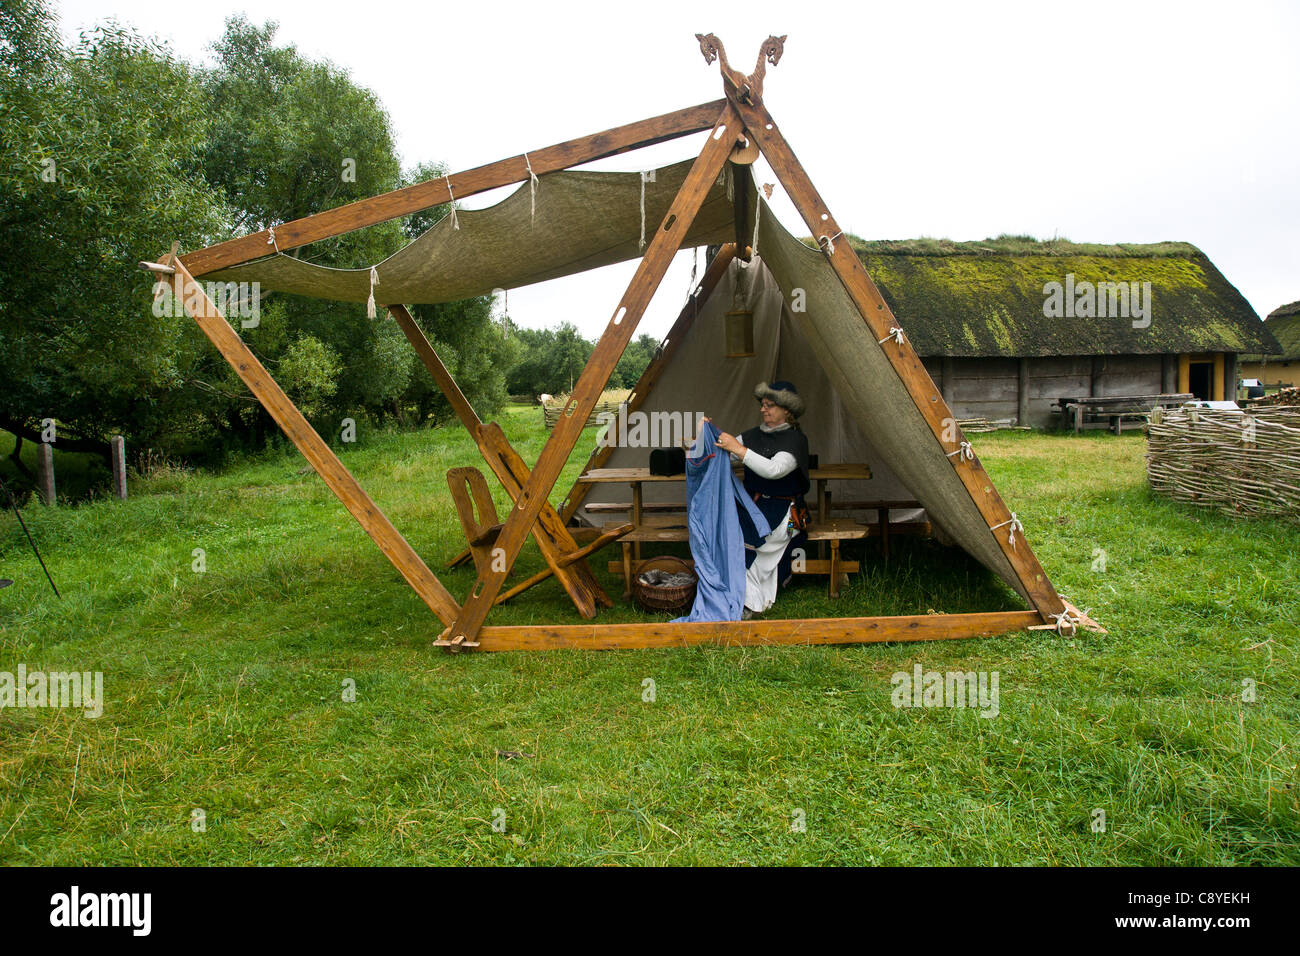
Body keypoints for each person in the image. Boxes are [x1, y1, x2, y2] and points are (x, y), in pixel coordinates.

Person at [705, 380, 810, 617]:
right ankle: (744, 599)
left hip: (788, 513)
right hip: (753, 506)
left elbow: (774, 469)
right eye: (763, 404)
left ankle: (747, 601)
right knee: (730, 540)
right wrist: (706, 437)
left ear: (787, 410)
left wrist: (738, 450)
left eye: (770, 405)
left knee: (754, 548)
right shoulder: (752, 436)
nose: (764, 409)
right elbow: (722, 454)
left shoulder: (795, 440)